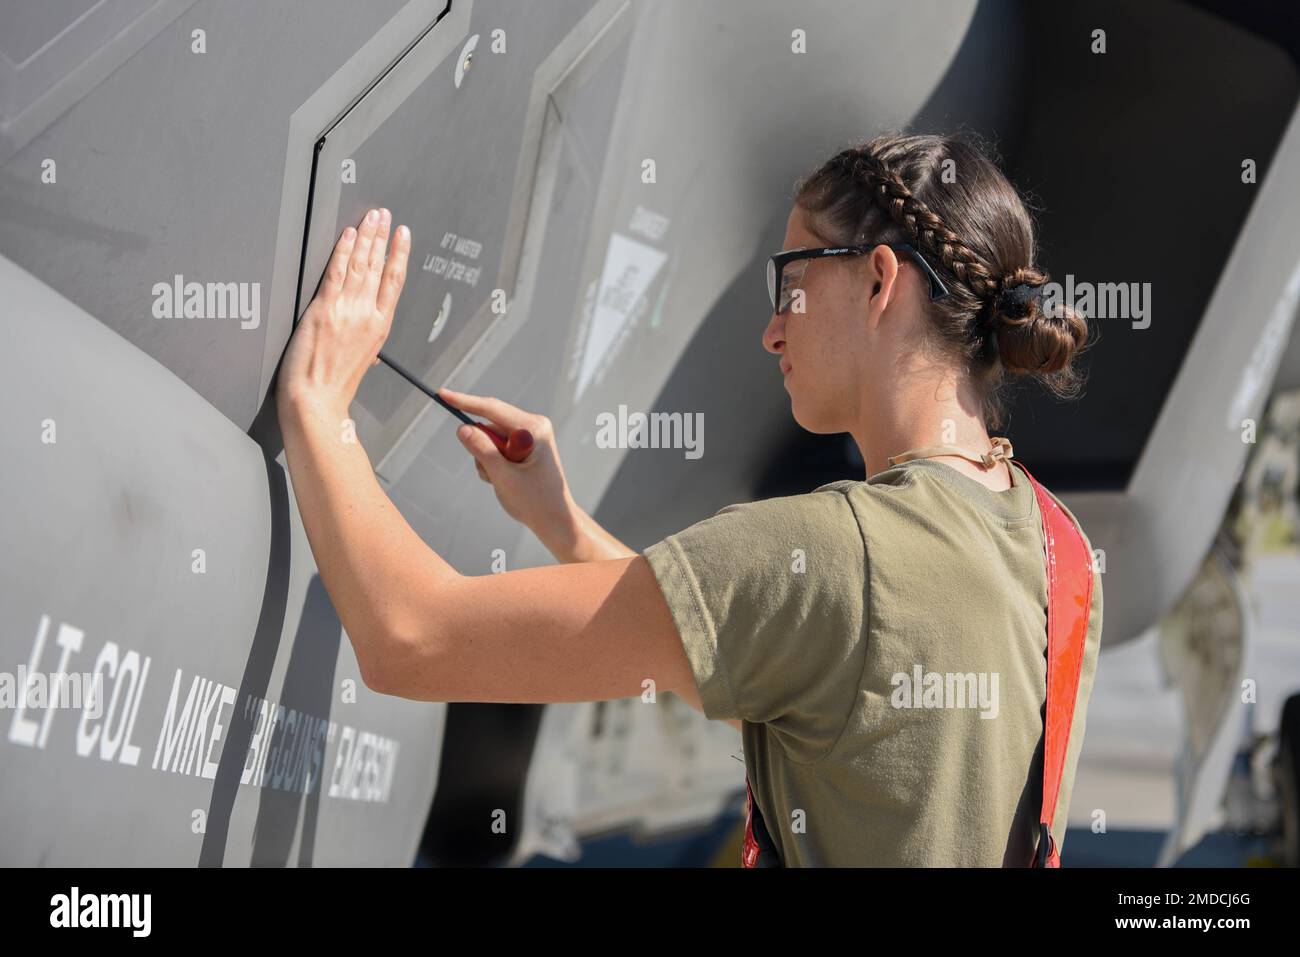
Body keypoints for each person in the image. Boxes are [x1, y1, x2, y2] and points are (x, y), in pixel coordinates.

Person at [275, 131, 1103, 866]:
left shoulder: (828, 556)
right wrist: (561, 524)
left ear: (879, 281)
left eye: (791, 282)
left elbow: (411, 637)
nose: (773, 329)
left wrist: (319, 403)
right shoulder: (1057, 553)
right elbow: (809, 681)